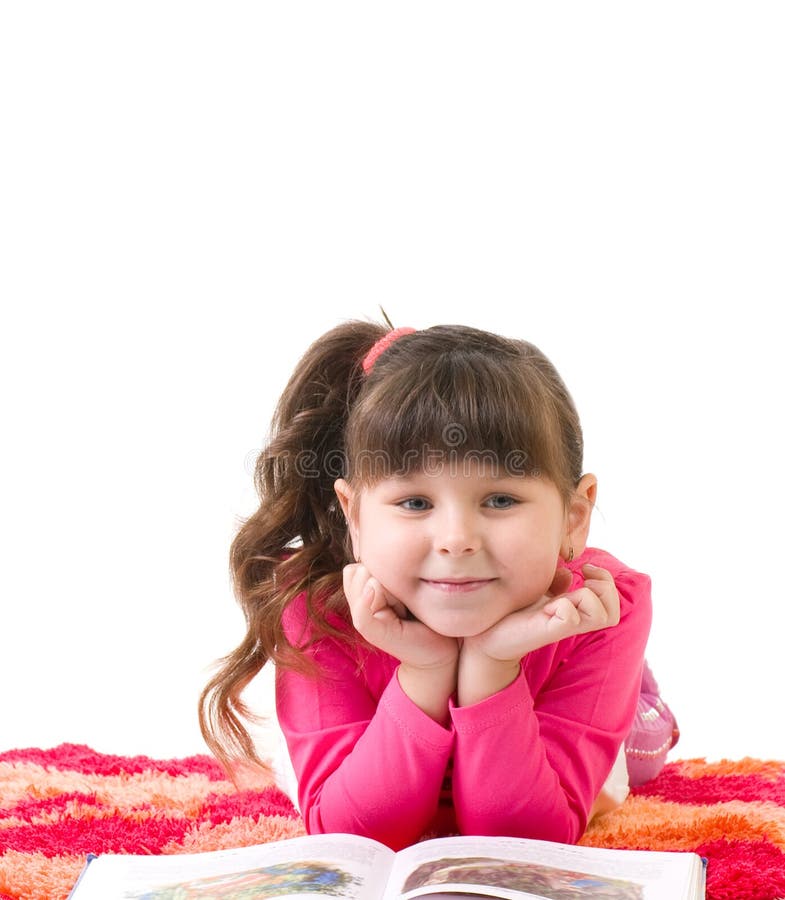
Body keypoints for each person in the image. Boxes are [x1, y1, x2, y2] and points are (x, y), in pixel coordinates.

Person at [199, 319, 679, 852]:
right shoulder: (316, 608)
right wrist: (425, 672)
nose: (456, 540)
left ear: (573, 516)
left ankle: (637, 688)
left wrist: (494, 667)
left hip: (579, 694)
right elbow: (348, 834)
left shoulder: (600, 606)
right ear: (353, 514)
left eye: (499, 500)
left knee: (643, 746)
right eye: (415, 503)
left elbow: (524, 840)